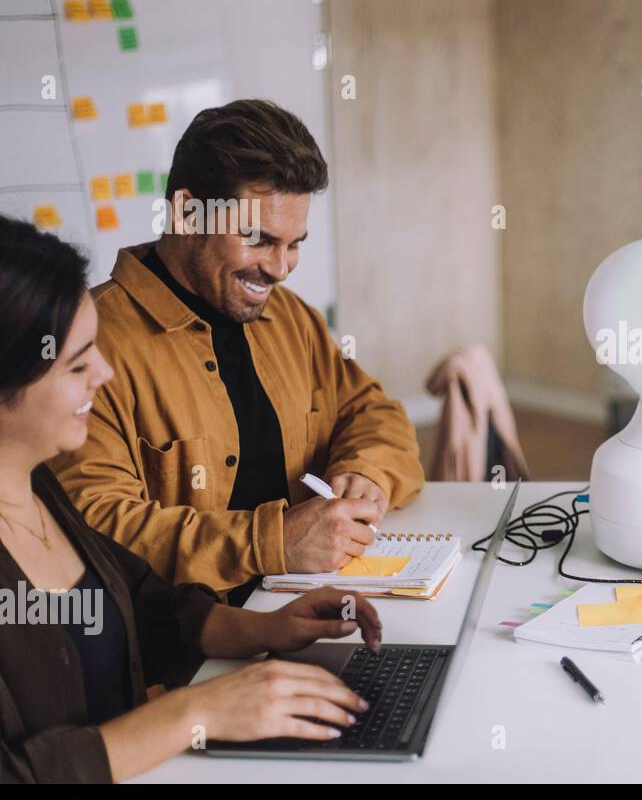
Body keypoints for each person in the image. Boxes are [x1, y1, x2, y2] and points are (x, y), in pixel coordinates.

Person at [0, 215, 380, 782]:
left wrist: (264, 628)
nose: (103, 372)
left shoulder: (38, 486)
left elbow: (138, 603)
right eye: (78, 363)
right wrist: (196, 710)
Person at [51, 100, 425, 602]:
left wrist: (366, 470)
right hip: (187, 656)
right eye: (257, 239)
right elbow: (93, 528)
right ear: (187, 213)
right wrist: (270, 543)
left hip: (312, 602)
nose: (280, 268)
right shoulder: (87, 342)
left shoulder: (290, 317)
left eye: (294, 244)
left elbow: (371, 409)